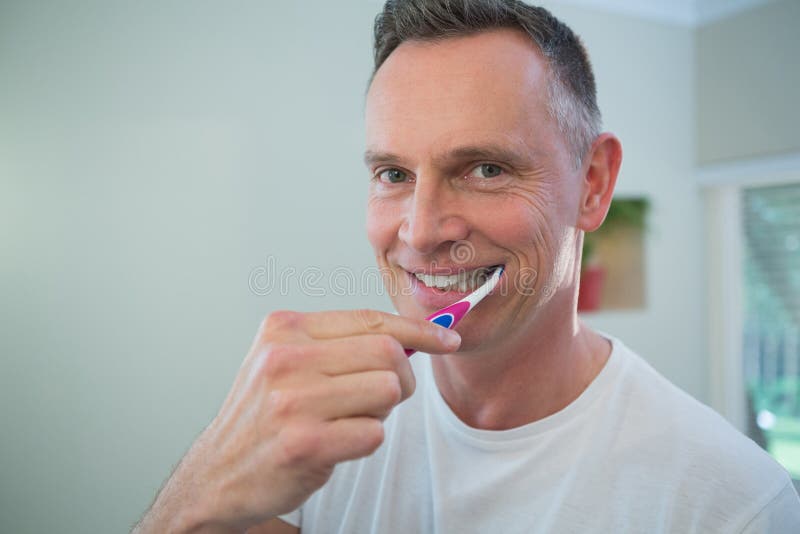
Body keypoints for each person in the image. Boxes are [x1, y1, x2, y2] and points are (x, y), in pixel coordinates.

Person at [134, 1, 800, 532]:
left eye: (485, 169)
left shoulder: (734, 504)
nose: (421, 232)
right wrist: (202, 492)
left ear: (593, 185)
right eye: (393, 173)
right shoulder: (312, 436)